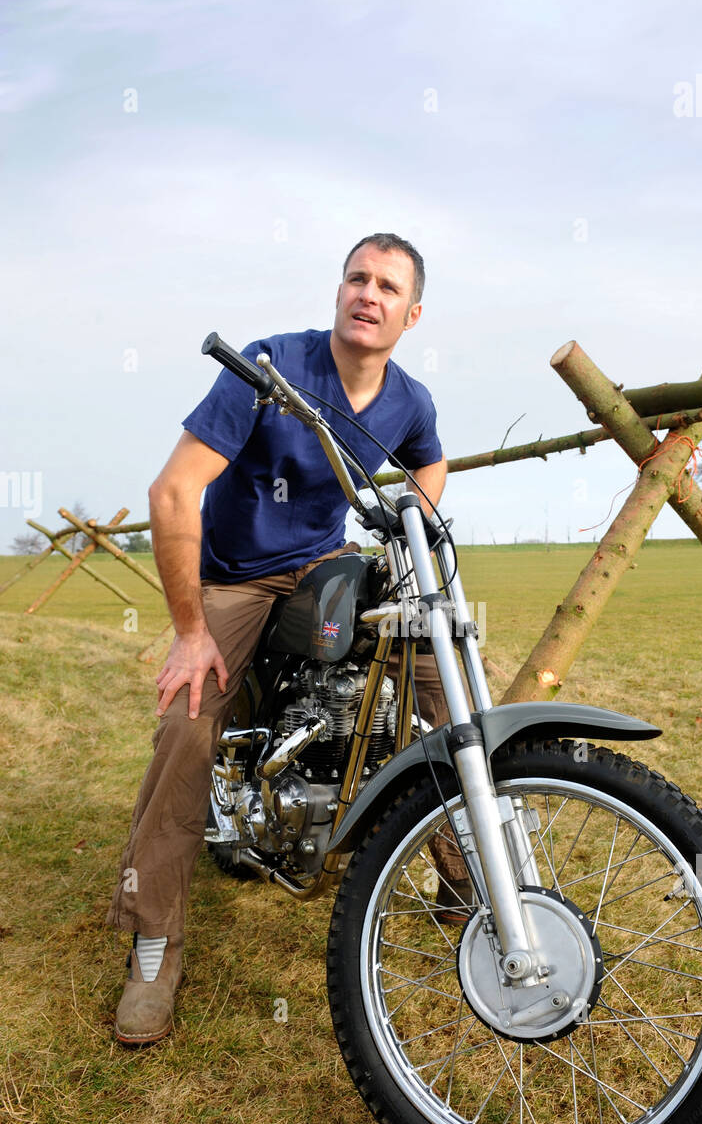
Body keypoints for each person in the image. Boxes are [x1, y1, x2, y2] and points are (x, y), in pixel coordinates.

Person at [107, 232, 470, 1046]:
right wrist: (191, 631)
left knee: (431, 668)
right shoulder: (266, 369)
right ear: (338, 291)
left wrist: (405, 524)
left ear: (411, 315)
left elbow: (428, 466)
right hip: (234, 575)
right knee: (186, 719)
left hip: (326, 561)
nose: (366, 294)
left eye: (386, 287)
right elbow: (172, 493)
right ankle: (155, 941)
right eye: (356, 278)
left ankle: (462, 868)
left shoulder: (408, 399)